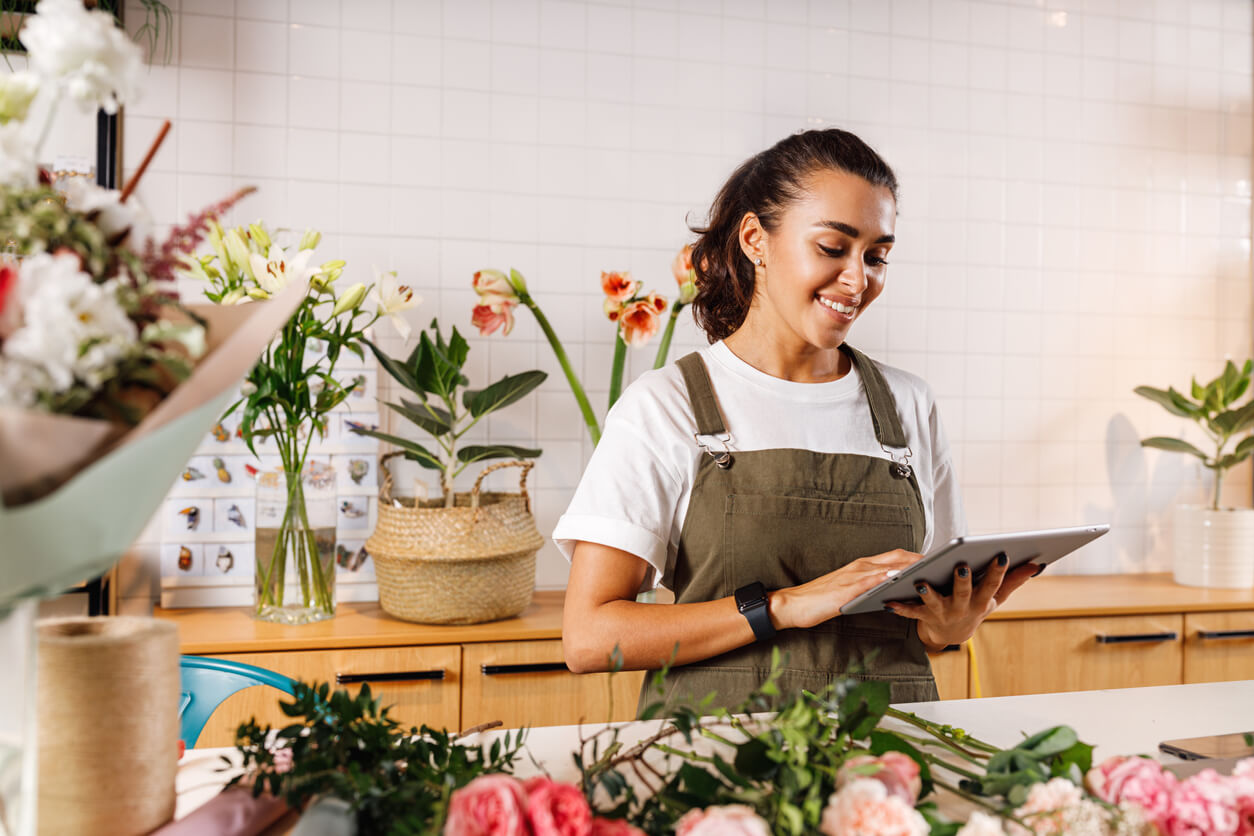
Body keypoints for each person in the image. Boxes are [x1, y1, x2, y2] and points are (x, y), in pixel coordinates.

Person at [554, 128, 1038, 714]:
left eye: (877, 257)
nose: (858, 280)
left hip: (888, 749)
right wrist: (782, 606)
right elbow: (589, 638)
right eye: (833, 248)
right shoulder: (666, 405)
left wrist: (949, 626)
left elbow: (929, 628)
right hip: (721, 752)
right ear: (755, 239)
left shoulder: (909, 405)